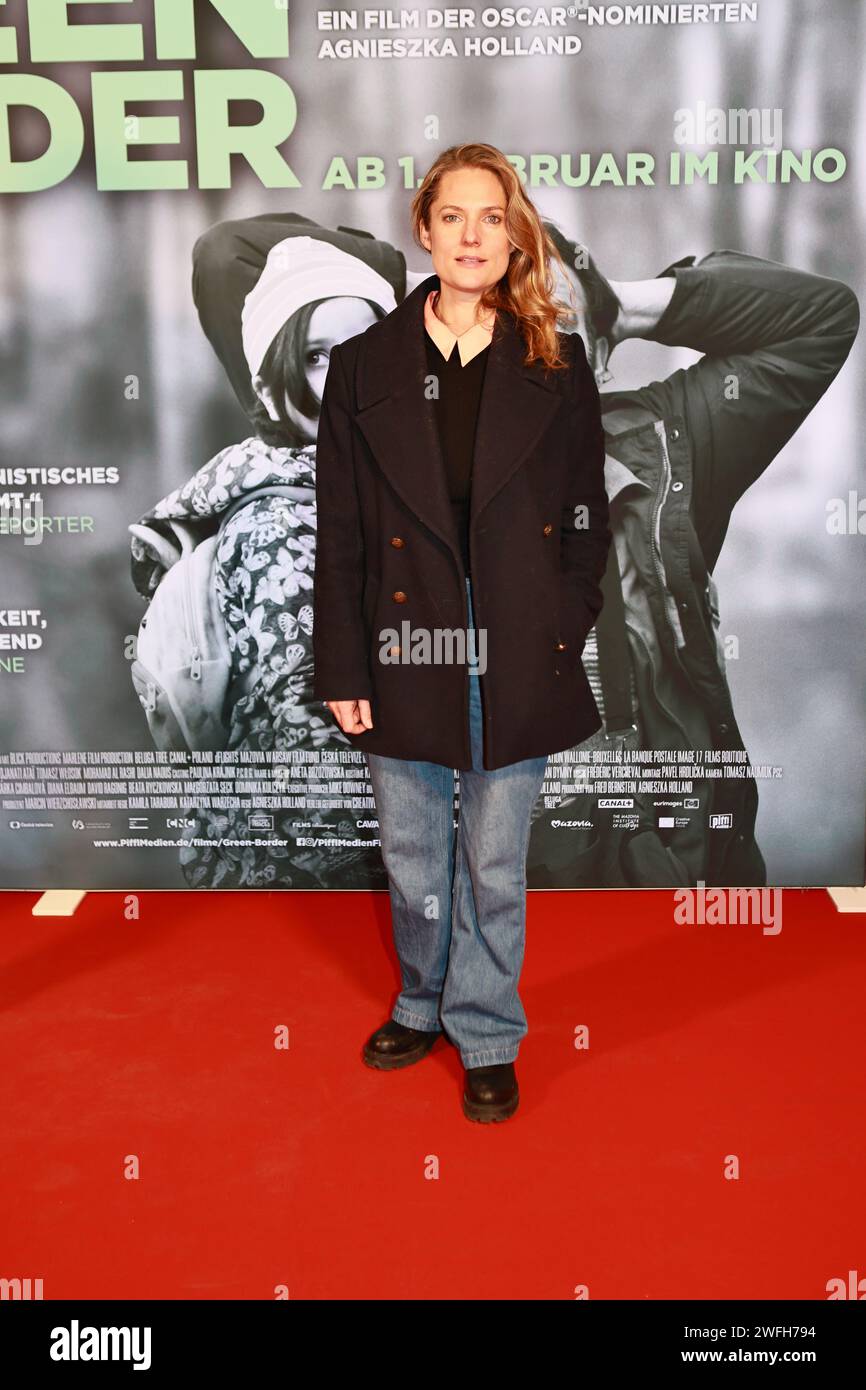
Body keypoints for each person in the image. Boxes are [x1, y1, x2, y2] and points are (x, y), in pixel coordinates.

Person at [312, 143, 612, 1122]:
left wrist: (563, 619)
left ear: (513, 236)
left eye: (491, 218)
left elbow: (584, 516)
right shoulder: (362, 367)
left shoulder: (556, 363)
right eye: (453, 216)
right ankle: (420, 998)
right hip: (404, 640)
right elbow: (342, 530)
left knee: (491, 860)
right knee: (411, 853)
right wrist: (344, 664)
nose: (472, 236)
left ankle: (484, 1027)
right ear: (424, 229)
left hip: (515, 641)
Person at [130, 228, 402, 888]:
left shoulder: (362, 489)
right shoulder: (282, 522)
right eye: (316, 356)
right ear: (271, 389)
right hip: (320, 885)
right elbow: (313, 751)